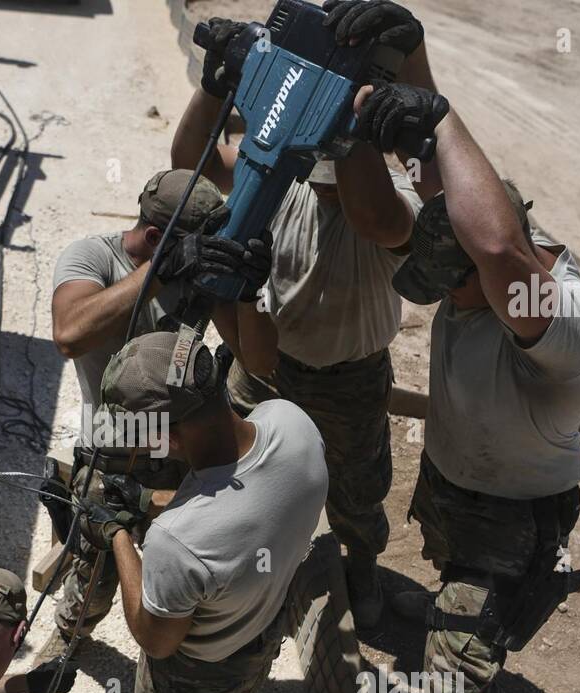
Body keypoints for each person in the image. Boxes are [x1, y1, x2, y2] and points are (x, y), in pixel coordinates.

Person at [350, 70, 580, 693]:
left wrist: (445, 115)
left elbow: (497, 247)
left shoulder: (568, 327)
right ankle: (465, 607)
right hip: (460, 493)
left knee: (455, 677)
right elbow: (436, 209)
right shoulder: (467, 277)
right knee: (449, 591)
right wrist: (386, 122)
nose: (449, 303)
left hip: (516, 514)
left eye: (459, 288)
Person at [170, 1, 435, 627]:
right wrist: (219, 86)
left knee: (355, 491)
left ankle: (358, 564)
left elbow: (373, 217)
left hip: (349, 379)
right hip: (265, 368)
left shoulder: (388, 212)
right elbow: (191, 160)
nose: (315, 175)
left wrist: (346, 110)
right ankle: (242, 562)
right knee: (234, 472)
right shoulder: (279, 177)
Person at [73, 330, 328, 693]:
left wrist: (117, 531)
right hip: (254, 640)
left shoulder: (176, 542)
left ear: (166, 434)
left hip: (197, 678)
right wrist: (147, 501)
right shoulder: (292, 423)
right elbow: (239, 507)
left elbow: (155, 636)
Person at [48, 169, 267, 652]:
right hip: (114, 444)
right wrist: (159, 273)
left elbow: (257, 359)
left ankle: (175, 649)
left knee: (190, 559)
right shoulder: (92, 257)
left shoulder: (199, 270)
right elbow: (69, 334)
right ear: (154, 236)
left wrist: (247, 291)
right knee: (96, 567)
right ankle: (70, 636)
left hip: (182, 447)